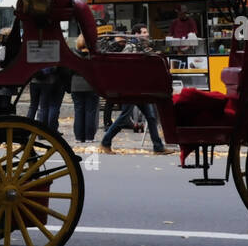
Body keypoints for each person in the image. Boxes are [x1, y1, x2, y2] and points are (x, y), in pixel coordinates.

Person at [100, 25, 174, 154]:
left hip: (141, 88)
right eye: (144, 32)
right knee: (124, 117)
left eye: (146, 32)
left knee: (151, 117)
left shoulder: (144, 48)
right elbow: (122, 65)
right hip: (130, 88)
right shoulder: (131, 47)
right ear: (136, 34)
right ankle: (105, 142)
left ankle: (158, 147)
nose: (147, 34)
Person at [69, 35, 99, 142]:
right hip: (91, 85)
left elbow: (68, 71)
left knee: (78, 110)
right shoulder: (94, 55)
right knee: (90, 111)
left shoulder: (73, 55)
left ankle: (78, 137)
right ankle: (89, 137)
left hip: (76, 85)